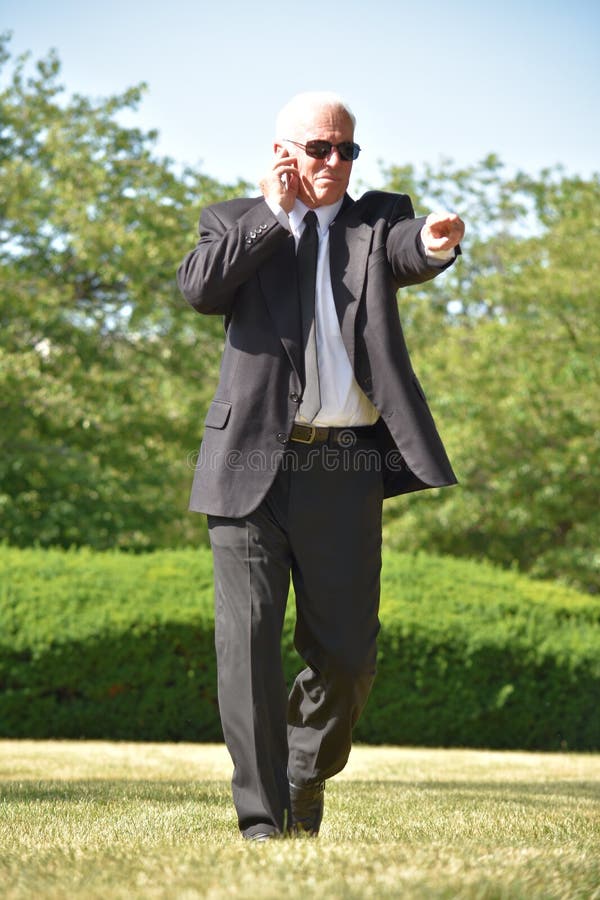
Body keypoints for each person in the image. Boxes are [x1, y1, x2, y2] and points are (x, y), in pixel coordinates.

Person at [177, 91, 464, 841]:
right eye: (318, 149)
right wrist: (275, 216)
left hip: (343, 468)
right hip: (248, 467)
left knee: (347, 654)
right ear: (283, 152)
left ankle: (304, 771)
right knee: (246, 648)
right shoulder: (233, 221)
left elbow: (410, 251)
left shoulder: (375, 223)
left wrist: (434, 244)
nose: (333, 162)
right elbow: (201, 289)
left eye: (346, 150)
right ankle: (263, 820)